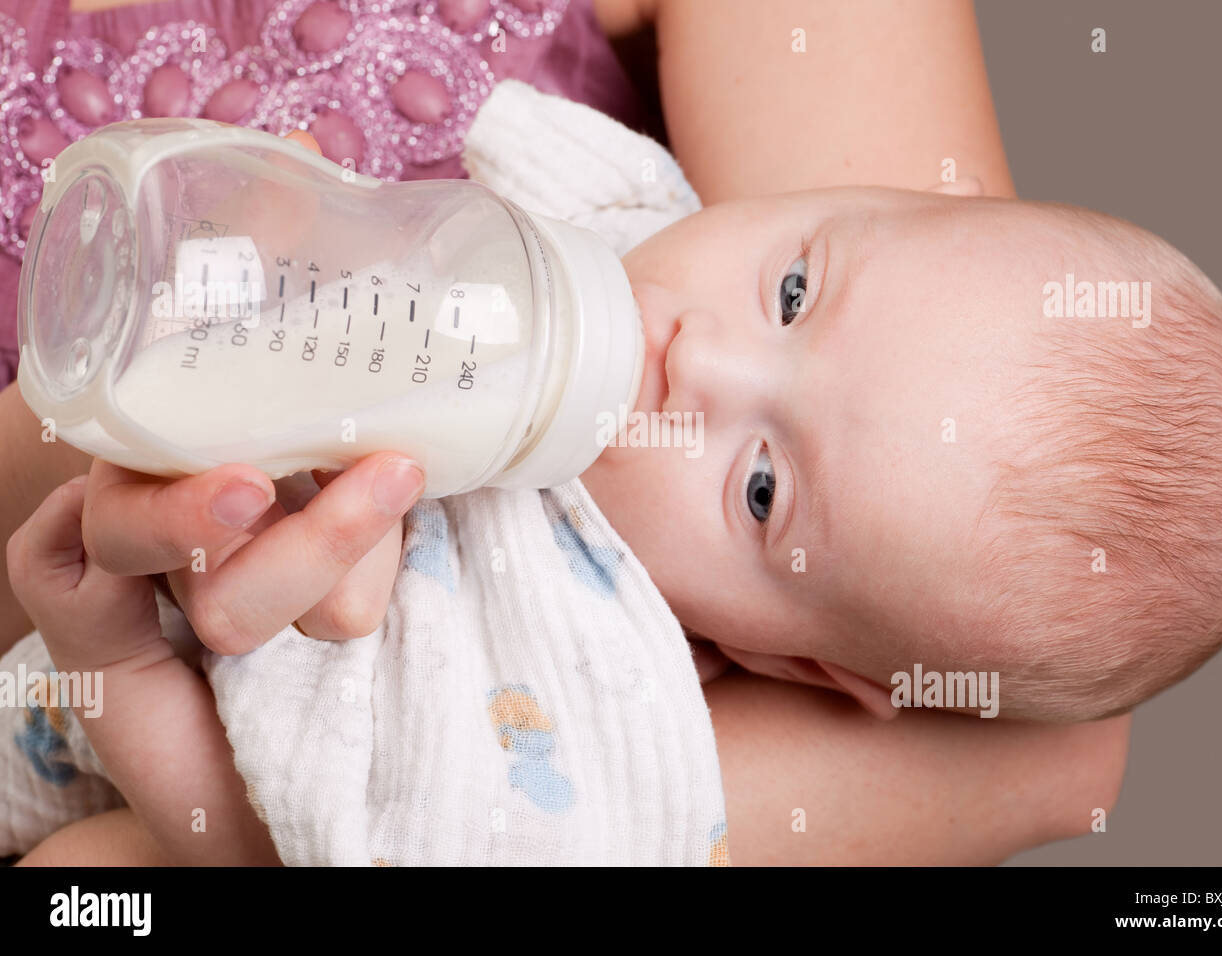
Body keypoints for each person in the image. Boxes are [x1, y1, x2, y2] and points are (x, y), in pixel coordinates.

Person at [1, 0, 1132, 864]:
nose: (697, 356)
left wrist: (120, 660)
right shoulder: (627, 208)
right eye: (790, 292)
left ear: (790, 656)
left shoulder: (585, 688)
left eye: (758, 491)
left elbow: (275, 838)